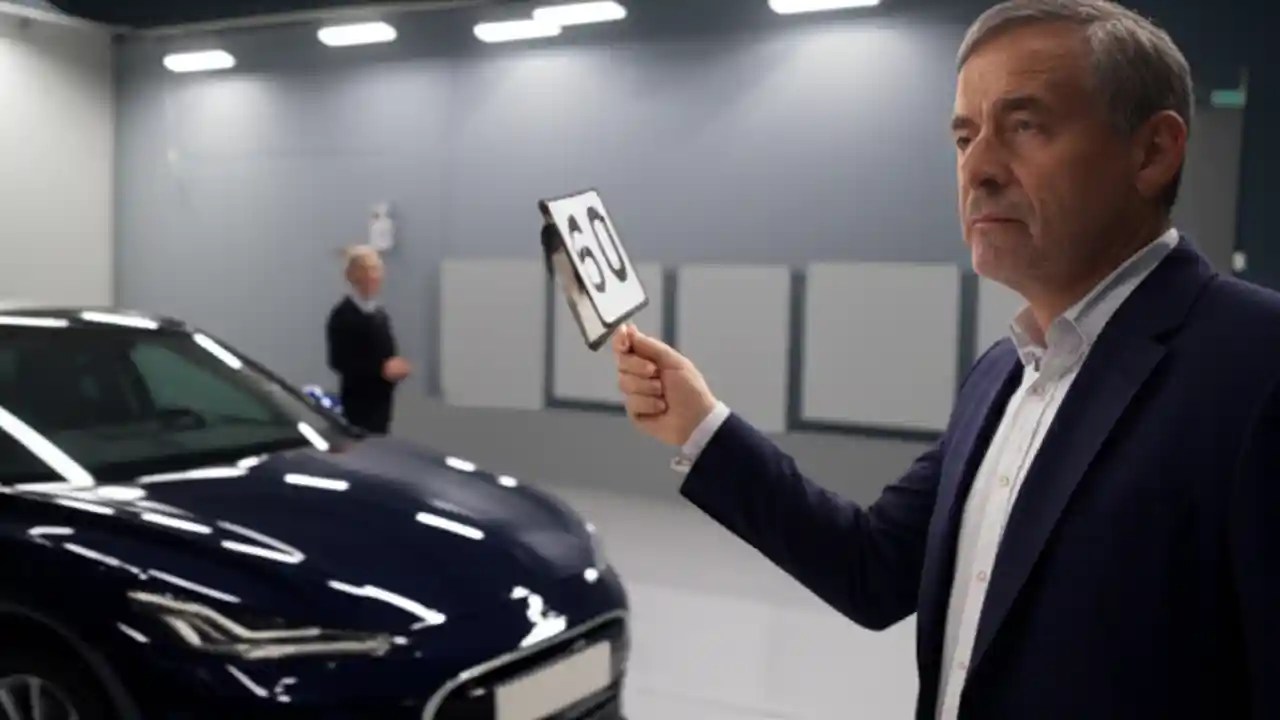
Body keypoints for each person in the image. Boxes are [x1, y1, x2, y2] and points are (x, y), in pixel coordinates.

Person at [613, 1, 1280, 718]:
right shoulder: (1003, 374)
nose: (980, 168)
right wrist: (701, 425)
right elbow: (872, 570)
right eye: (965, 136)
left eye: (1026, 127)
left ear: (1152, 152)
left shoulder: (1257, 365)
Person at [325, 245, 411, 434]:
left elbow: (388, 353)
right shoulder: (343, 315)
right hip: (358, 406)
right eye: (368, 270)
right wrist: (380, 370)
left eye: (376, 270)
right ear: (354, 275)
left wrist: (397, 368)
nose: (375, 277)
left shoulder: (379, 314)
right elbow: (338, 361)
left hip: (381, 405)